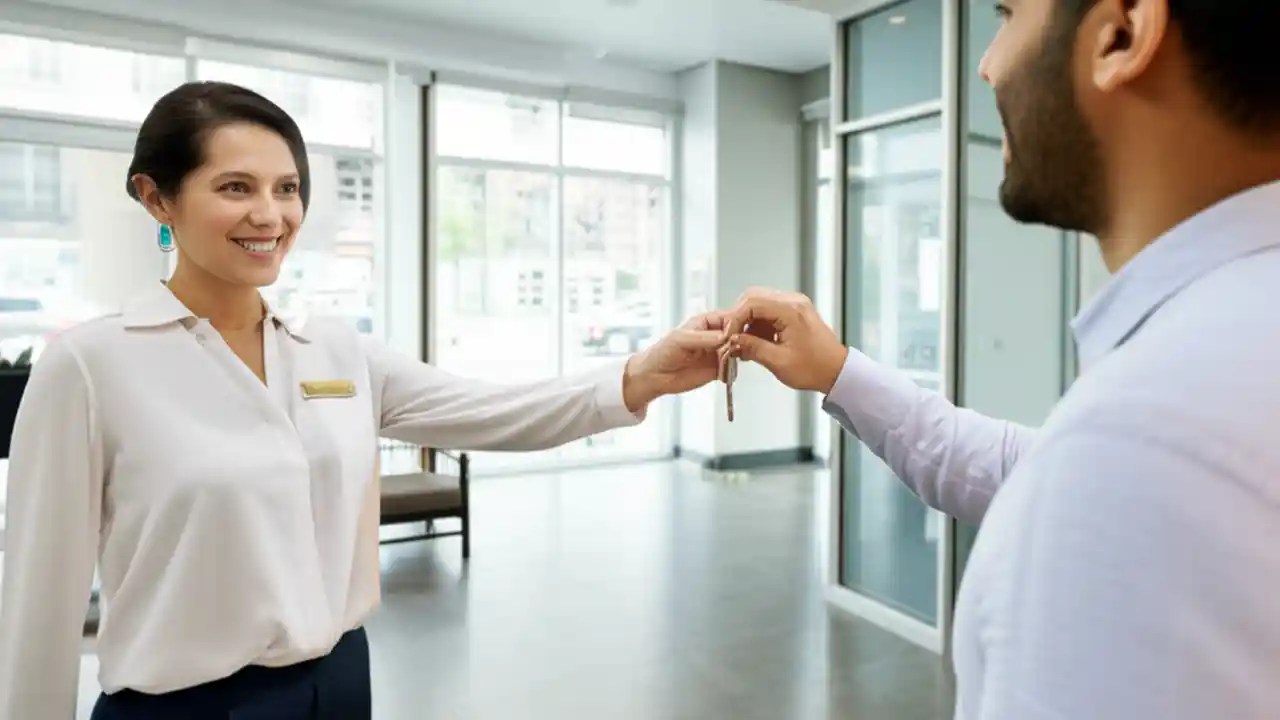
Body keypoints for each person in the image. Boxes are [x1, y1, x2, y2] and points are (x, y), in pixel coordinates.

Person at [0, 81, 729, 719]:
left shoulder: (334, 349)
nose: (271, 214)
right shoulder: (92, 365)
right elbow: (38, 602)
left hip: (341, 685)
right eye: (235, 187)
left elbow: (496, 410)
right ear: (156, 196)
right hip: (185, 706)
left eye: (287, 188)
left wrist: (643, 374)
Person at [724, 0, 1280, 718]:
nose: (986, 64)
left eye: (1008, 14)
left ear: (1122, 32)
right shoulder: (1229, 350)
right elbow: (1037, 469)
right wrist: (838, 371)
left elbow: (1093, 473)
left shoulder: (1148, 437)